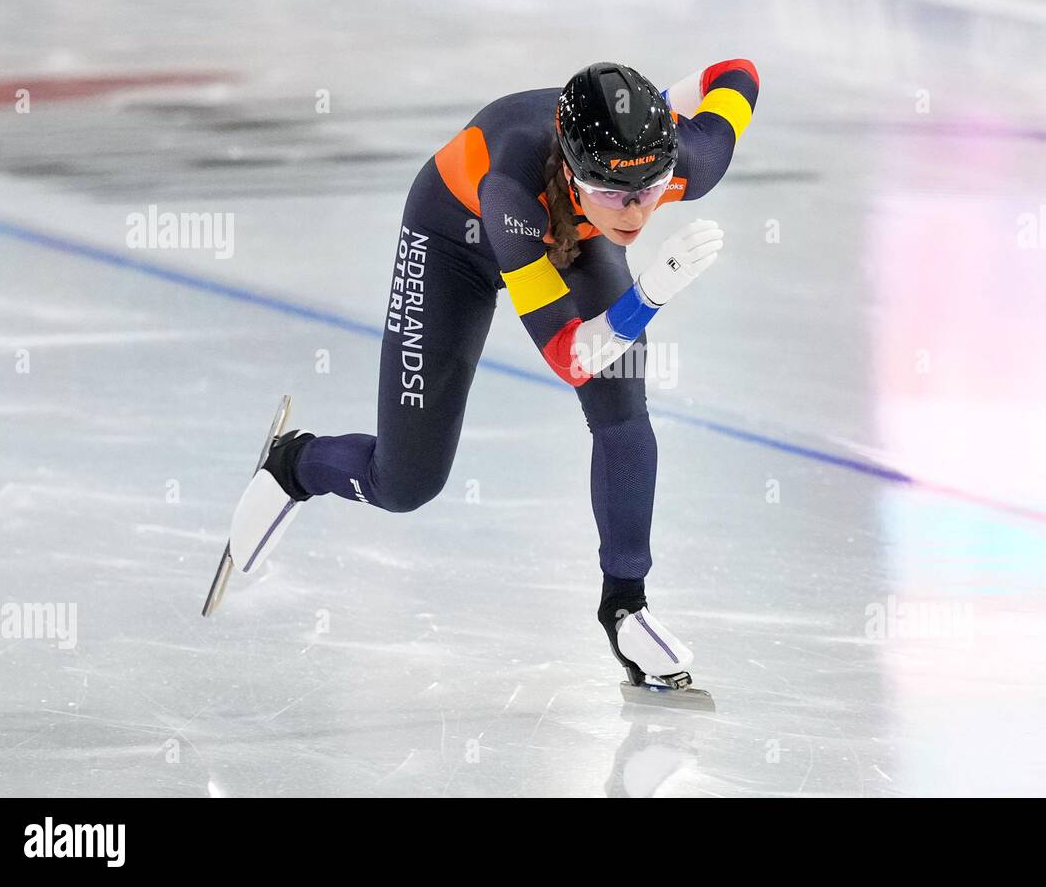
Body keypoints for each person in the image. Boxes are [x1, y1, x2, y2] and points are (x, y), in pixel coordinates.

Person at [216, 59, 760, 691]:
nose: (636, 212)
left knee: (624, 414)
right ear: (571, 171)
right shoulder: (510, 180)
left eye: (650, 187)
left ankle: (625, 606)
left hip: (575, 235)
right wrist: (650, 294)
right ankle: (296, 464)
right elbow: (569, 356)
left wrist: (656, 111)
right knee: (405, 482)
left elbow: (737, 72)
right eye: (614, 191)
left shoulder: (687, 159)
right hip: (454, 238)